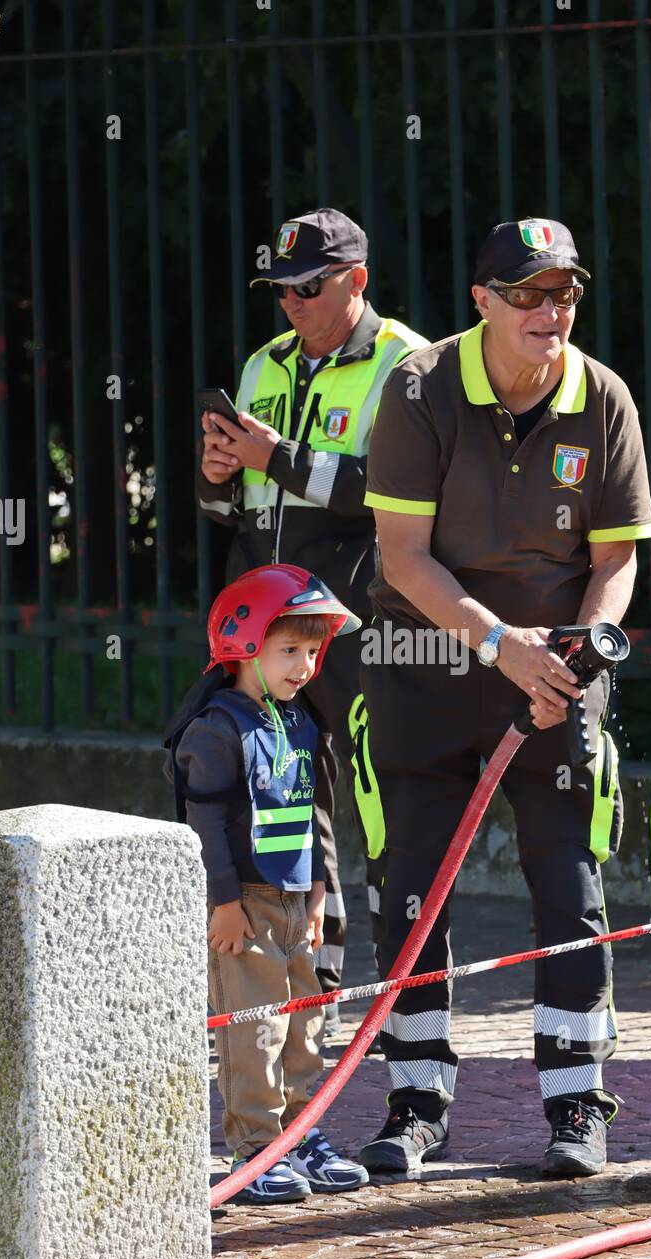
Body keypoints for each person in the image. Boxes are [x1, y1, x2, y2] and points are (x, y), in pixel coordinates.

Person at [357, 218, 651, 1178]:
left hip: (553, 676)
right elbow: (402, 558)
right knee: (411, 887)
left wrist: (582, 655)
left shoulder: (602, 395)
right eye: (528, 293)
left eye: (566, 291)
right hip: (427, 663)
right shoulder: (416, 390)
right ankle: (415, 1102)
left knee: (568, 884)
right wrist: (496, 645)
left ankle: (577, 1105)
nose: (551, 310)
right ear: (482, 301)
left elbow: (616, 564)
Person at [197, 208, 428, 1024]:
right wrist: (220, 470)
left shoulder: (408, 363)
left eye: (309, 286)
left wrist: (276, 456)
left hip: (359, 624)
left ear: (357, 281)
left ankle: (401, 1004)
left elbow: (391, 496)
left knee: (381, 812)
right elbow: (231, 509)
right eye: (280, 288)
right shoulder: (265, 363)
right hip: (267, 630)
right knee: (286, 809)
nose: (291, 302)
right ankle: (313, 989)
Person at [171, 564, 369, 1202]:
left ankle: (302, 1132)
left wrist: (316, 895)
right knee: (254, 1028)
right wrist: (222, 904)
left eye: (313, 651)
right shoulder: (217, 729)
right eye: (290, 650)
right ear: (243, 644)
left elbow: (312, 811)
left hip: (293, 905)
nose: (305, 665)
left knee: (305, 1022)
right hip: (245, 908)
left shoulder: (300, 721)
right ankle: (255, 1148)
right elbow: (202, 823)